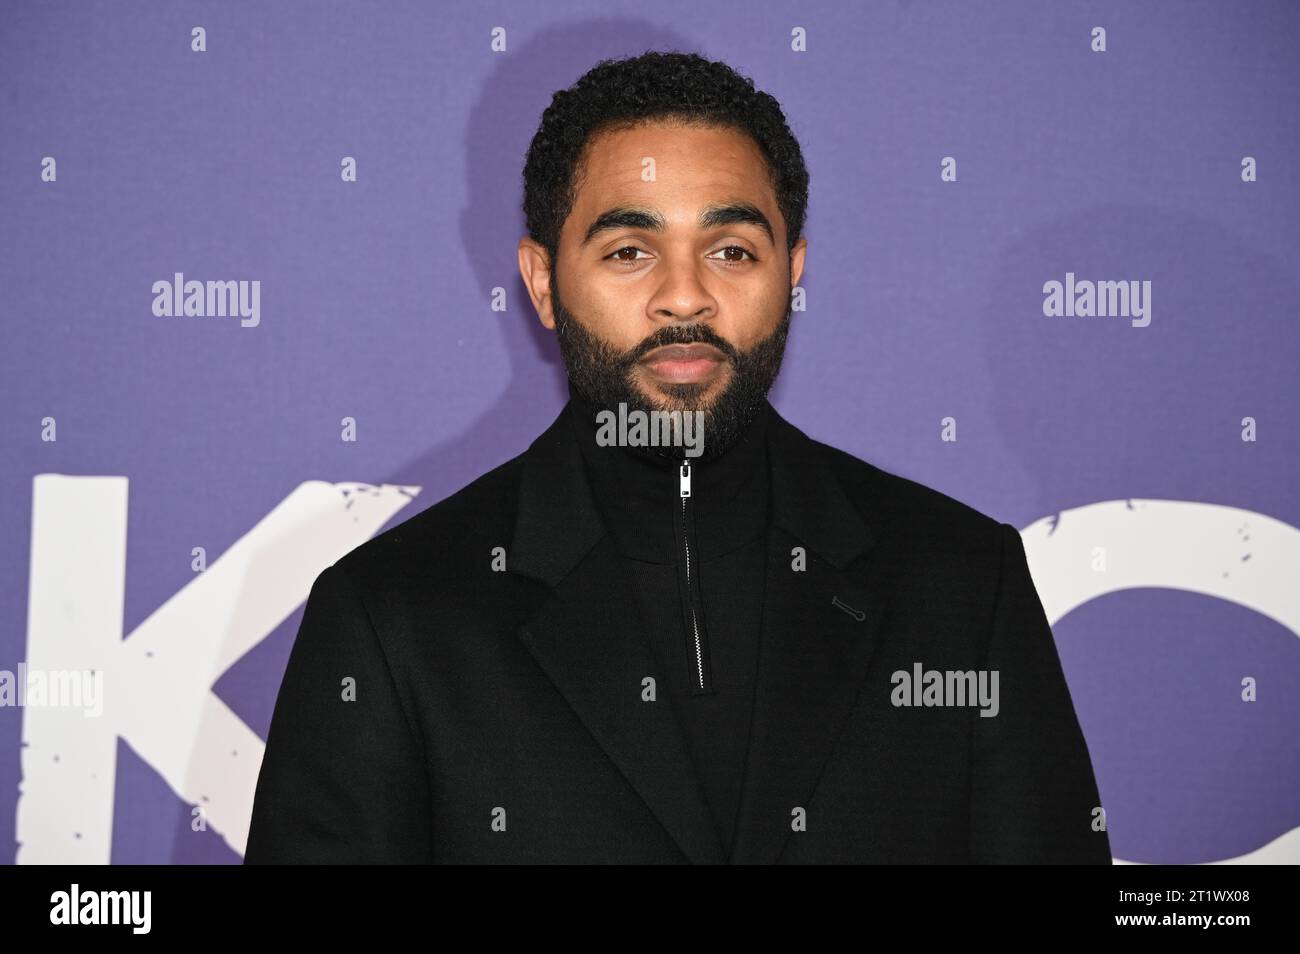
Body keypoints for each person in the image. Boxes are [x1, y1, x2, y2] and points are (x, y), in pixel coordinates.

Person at [244, 50, 1110, 864]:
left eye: (732, 250)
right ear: (544, 283)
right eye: (630, 251)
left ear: (793, 271)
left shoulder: (959, 581)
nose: (686, 295)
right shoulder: (393, 615)